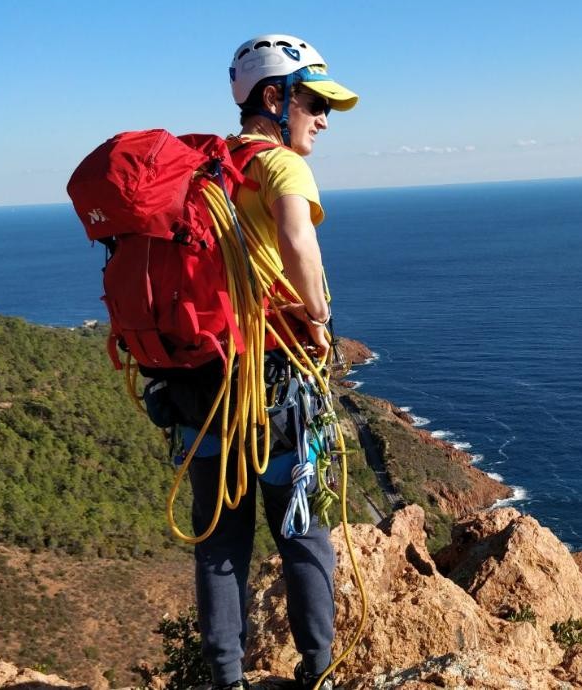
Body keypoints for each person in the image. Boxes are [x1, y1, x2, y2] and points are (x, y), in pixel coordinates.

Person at [184, 33, 358, 690]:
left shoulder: (209, 169)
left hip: (200, 387)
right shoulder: (281, 165)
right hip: (273, 384)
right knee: (303, 533)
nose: (323, 117)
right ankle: (321, 671)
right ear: (272, 97)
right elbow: (297, 243)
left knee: (221, 545)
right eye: (314, 101)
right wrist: (318, 326)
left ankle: (225, 680)